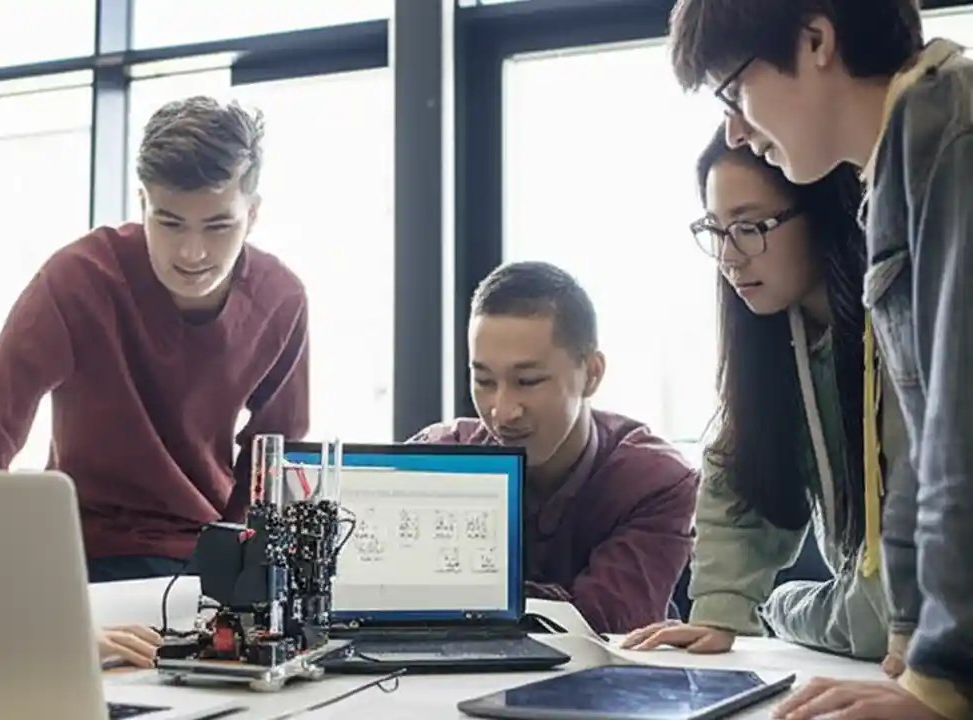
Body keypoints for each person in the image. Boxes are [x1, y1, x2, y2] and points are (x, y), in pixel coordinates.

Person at [668, 1, 973, 717]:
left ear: (816, 40)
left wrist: (939, 682)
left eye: (734, 91)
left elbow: (959, 439)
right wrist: (914, 651)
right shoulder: (899, 166)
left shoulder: (951, 136)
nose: (737, 128)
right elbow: (928, 457)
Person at [0, 96, 310, 584]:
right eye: (169, 222)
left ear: (253, 214)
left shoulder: (281, 300)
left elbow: (277, 456)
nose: (191, 252)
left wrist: (237, 561)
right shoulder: (77, 279)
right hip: (78, 555)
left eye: (218, 226)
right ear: (142, 205)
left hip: (205, 561)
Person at [623, 125, 905, 663]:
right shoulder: (776, 340)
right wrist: (719, 612)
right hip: (877, 622)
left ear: (824, 213)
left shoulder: (899, 329)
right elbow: (742, 472)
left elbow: (882, 618)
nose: (730, 257)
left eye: (750, 227)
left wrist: (783, 608)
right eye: (716, 229)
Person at [410, 261, 698, 634]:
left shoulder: (656, 483)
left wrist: (460, 598)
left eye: (527, 381)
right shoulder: (439, 459)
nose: (502, 411)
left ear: (591, 374)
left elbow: (604, 624)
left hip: (608, 686)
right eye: (483, 380)